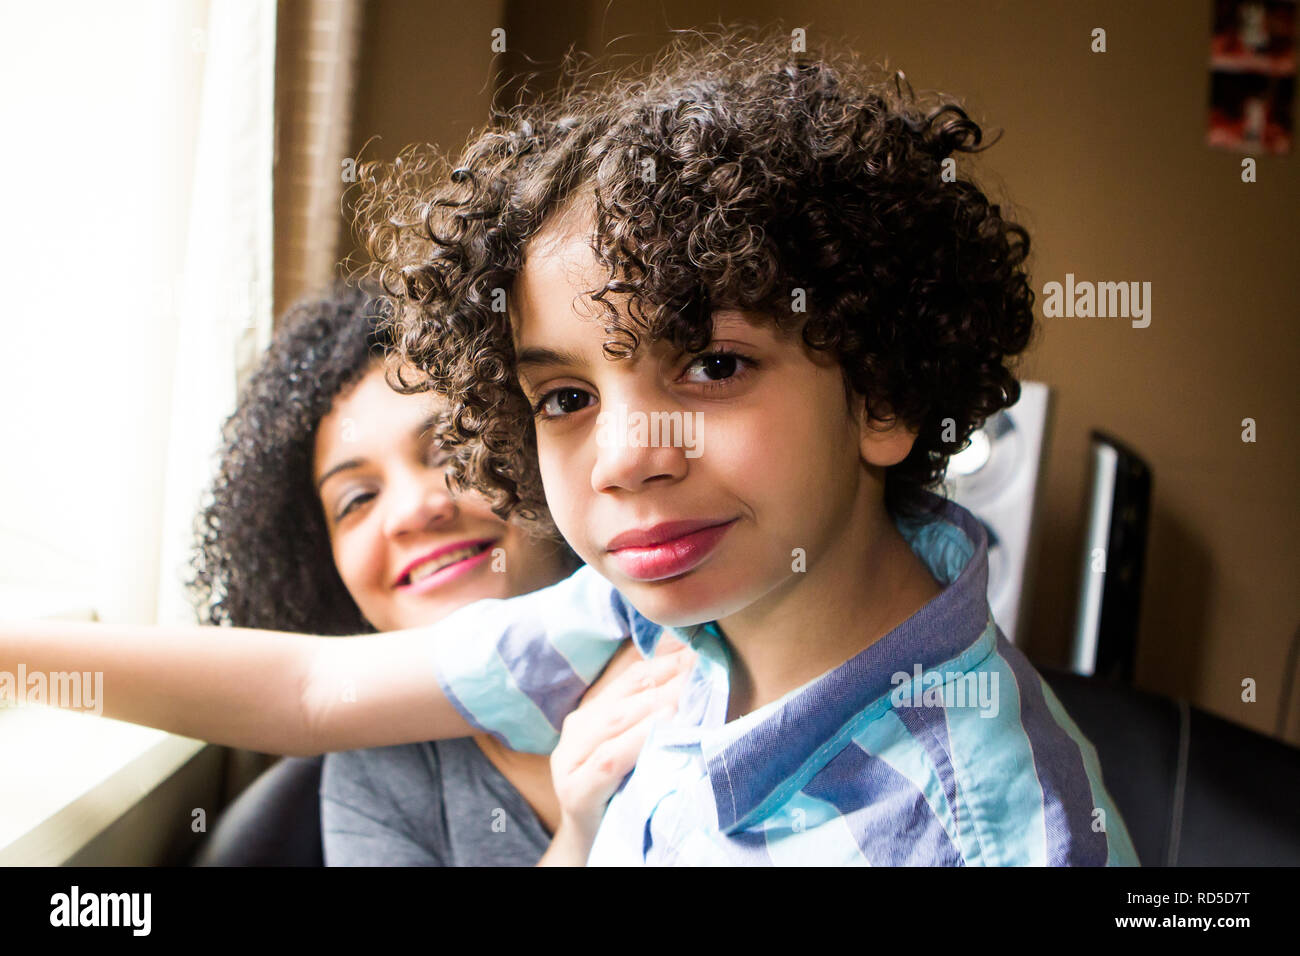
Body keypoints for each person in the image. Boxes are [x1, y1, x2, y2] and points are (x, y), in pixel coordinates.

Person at [1, 27, 1137, 865]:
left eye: (714, 365)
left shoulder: (982, 836)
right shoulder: (654, 605)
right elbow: (311, 683)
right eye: (564, 398)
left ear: (879, 392)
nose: (624, 457)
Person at [188, 281, 682, 865]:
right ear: (320, 566)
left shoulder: (697, 612)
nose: (414, 510)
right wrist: (581, 837)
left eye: (452, 451)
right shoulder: (376, 772)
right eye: (356, 499)